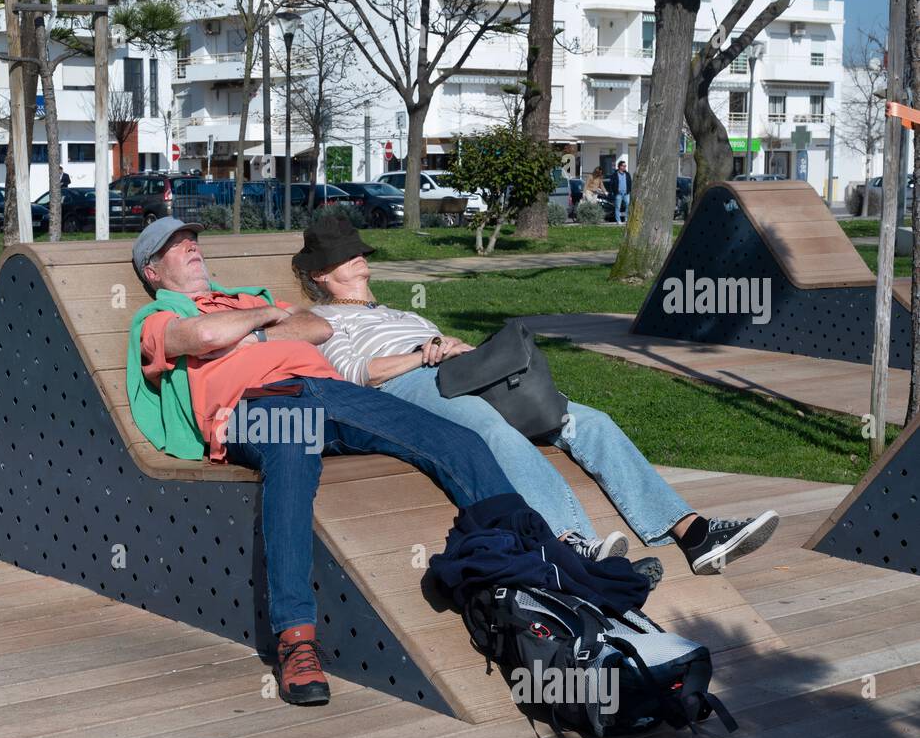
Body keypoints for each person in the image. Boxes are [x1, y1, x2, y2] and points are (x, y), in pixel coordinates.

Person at [128, 217, 528, 708]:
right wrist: (269, 320)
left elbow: (316, 326)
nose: (191, 248)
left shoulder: (245, 299)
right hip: (255, 408)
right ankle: (296, 640)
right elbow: (204, 333)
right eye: (175, 247)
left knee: (454, 439)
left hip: (328, 392)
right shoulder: (156, 319)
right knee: (293, 458)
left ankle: (536, 575)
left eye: (192, 241)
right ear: (152, 271)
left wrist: (247, 330)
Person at [293, 216, 780, 576]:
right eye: (343, 255)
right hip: (407, 387)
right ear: (319, 275)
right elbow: (357, 374)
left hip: (454, 371)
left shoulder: (401, 313)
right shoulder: (323, 321)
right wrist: (423, 355)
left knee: (585, 420)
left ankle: (693, 533)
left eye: (358, 250)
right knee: (490, 428)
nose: (358, 256)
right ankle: (575, 545)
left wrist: (452, 348)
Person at [611, 159, 632, 224]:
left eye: (625, 166)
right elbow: (612, 184)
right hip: (618, 193)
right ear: (620, 166)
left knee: (628, 205)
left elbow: (630, 182)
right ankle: (618, 220)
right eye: (624, 166)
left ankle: (626, 219)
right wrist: (615, 191)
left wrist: (629, 190)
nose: (625, 167)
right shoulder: (615, 174)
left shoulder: (627, 174)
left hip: (626, 193)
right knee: (618, 207)